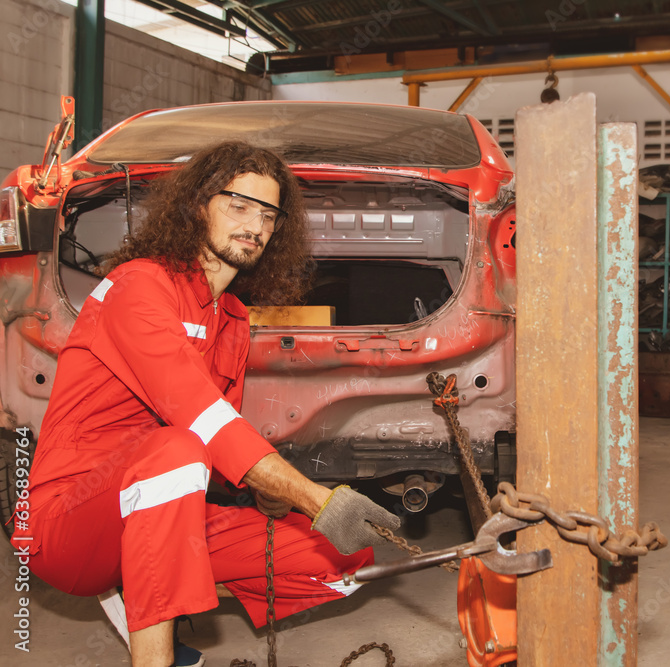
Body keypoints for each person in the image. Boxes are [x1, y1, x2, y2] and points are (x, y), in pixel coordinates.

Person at [14, 141, 399, 667]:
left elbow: (222, 451)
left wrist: (268, 494)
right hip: (67, 523)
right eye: (238, 205)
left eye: (267, 214)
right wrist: (316, 498)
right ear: (198, 206)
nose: (255, 225)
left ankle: (150, 584)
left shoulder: (232, 319)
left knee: (342, 558)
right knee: (176, 449)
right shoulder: (137, 287)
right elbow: (202, 421)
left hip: (160, 507)